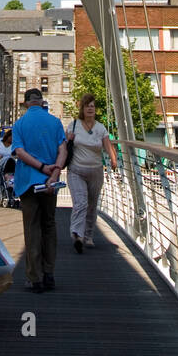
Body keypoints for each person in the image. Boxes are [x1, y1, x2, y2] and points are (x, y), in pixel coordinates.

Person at [11, 89, 67, 293]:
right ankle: (49, 273)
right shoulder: (55, 122)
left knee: (32, 228)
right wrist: (54, 173)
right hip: (50, 183)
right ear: (41, 102)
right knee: (49, 225)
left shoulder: (19, 125)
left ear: (26, 104)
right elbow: (63, 150)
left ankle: (34, 277)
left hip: (28, 183)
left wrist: (41, 167)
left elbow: (19, 152)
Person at [67, 93, 117, 252]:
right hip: (76, 170)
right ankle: (77, 235)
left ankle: (88, 236)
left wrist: (113, 159)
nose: (90, 108)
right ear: (82, 108)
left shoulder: (100, 127)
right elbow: (65, 144)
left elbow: (108, 145)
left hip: (95, 171)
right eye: (87, 106)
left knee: (92, 205)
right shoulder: (74, 125)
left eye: (92, 106)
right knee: (80, 203)